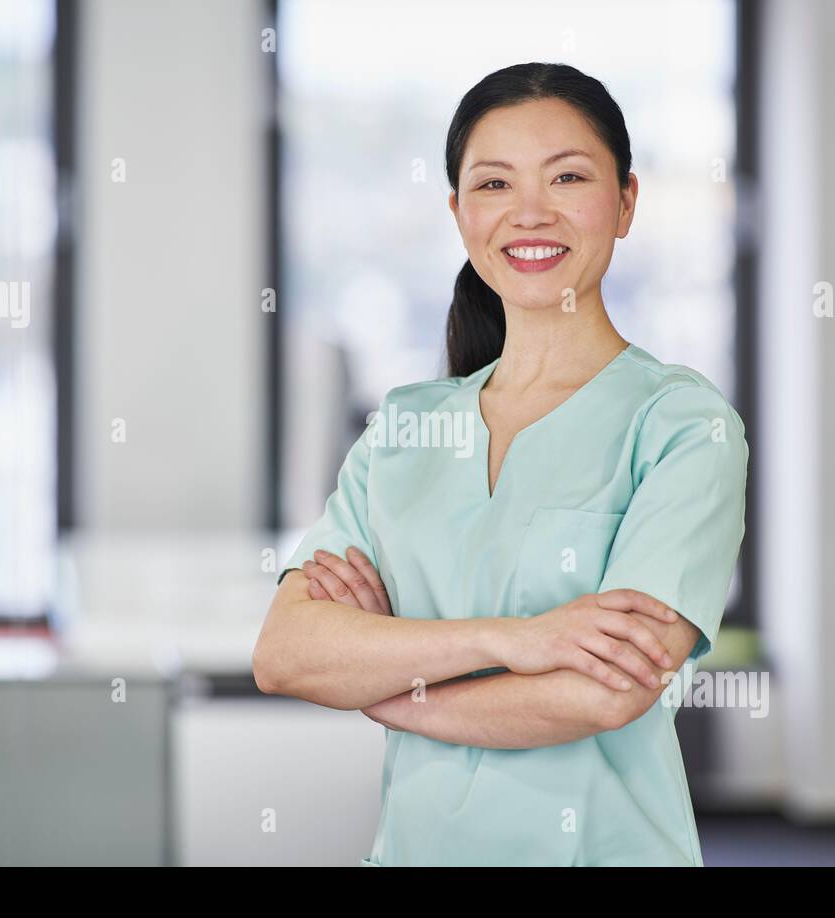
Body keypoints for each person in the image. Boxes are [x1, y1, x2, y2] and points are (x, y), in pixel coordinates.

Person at [252, 62, 748, 866]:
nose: (529, 213)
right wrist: (520, 640)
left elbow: (605, 690)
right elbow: (285, 654)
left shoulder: (684, 429)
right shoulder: (405, 429)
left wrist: (388, 683)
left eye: (568, 176)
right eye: (493, 184)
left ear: (625, 202)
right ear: (457, 212)